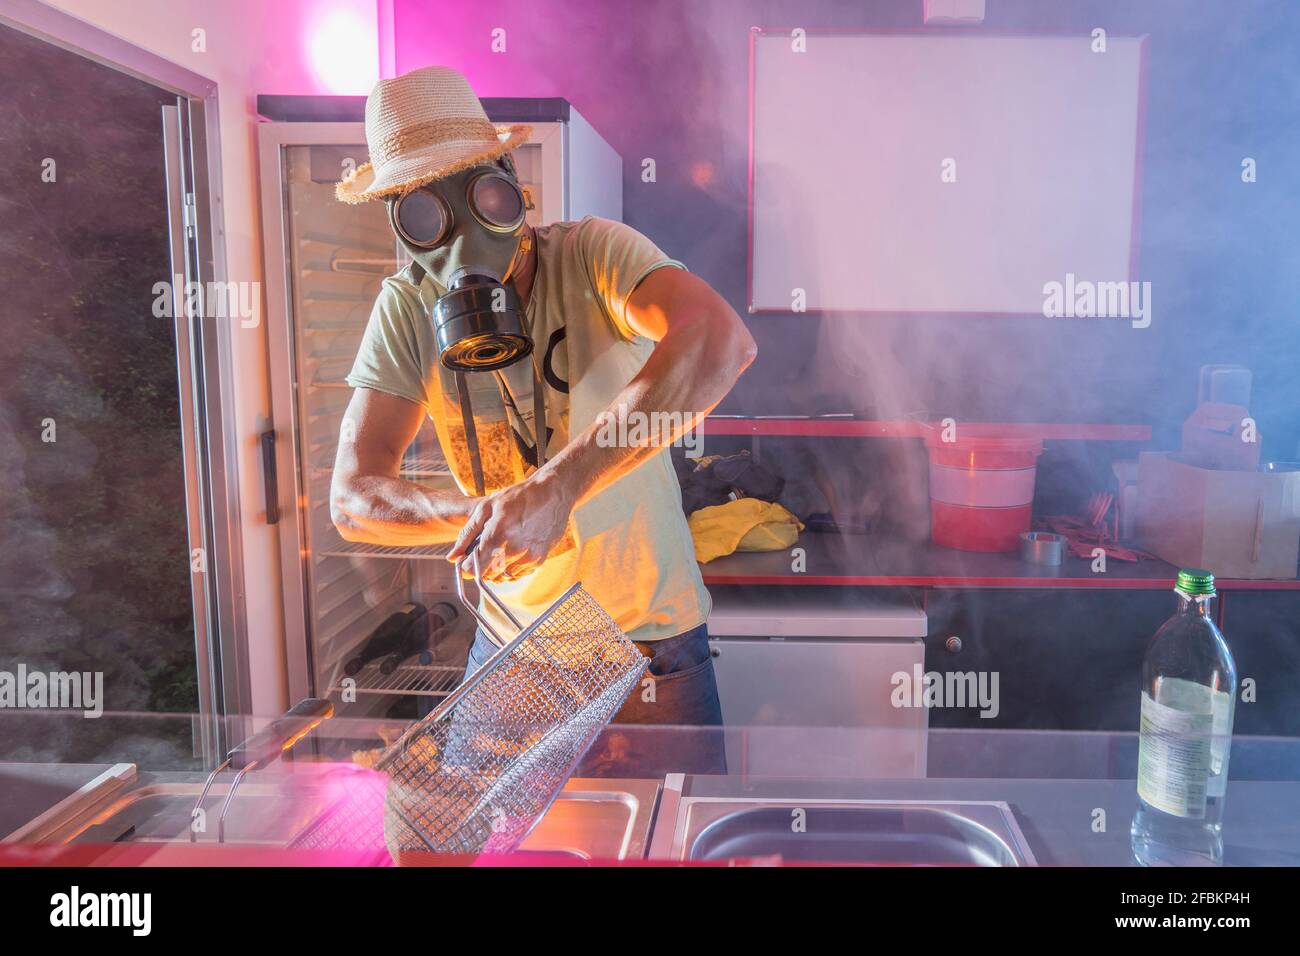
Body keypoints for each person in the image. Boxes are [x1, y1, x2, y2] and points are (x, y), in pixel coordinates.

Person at [329, 66, 755, 774]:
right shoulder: (407, 307)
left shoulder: (594, 256)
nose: (457, 235)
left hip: (649, 640)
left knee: (665, 844)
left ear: (508, 187)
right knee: (487, 847)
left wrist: (559, 488)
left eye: (474, 191)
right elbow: (353, 498)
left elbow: (720, 340)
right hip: (514, 645)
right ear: (402, 224)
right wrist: (483, 517)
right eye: (422, 214)